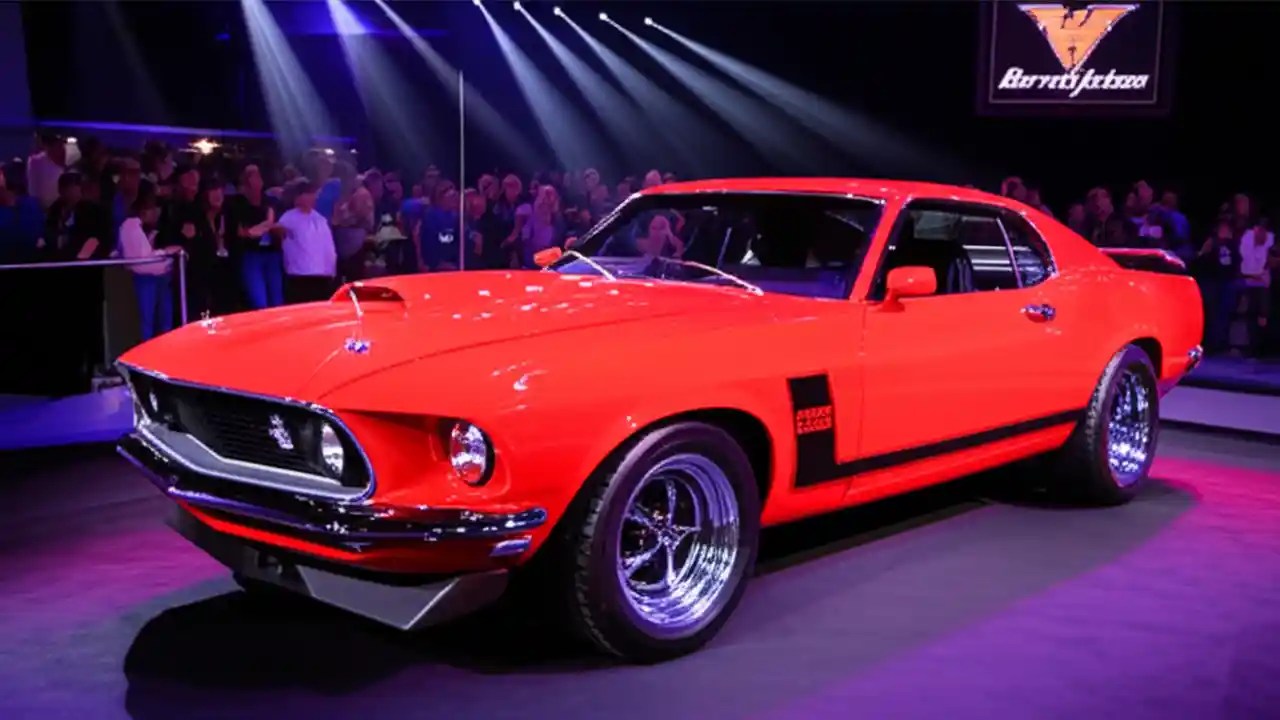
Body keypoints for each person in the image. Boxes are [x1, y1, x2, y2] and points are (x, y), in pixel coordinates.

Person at [119, 194, 182, 340]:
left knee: (165, 321)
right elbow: (142, 258)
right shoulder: (131, 226)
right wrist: (166, 252)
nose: (155, 213)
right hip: (146, 278)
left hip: (162, 277)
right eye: (151, 209)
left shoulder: (150, 229)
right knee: (148, 321)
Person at [225, 164, 283, 309]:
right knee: (259, 301)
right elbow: (239, 232)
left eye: (257, 175)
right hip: (250, 254)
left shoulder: (270, 202)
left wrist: (274, 230)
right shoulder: (236, 204)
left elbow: (278, 227)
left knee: (277, 300)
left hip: (272, 254)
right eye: (251, 176)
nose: (255, 180)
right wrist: (258, 229)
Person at [278, 181, 337, 303]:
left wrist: (332, 269)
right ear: (298, 197)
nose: (312, 197)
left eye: (312, 194)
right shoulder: (288, 218)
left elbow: (328, 247)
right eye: (308, 194)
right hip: (300, 277)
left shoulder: (320, 219)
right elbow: (279, 234)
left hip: (322, 276)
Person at [1196, 219, 1242, 354]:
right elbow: (1201, 261)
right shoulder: (1212, 243)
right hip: (1212, 282)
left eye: (1227, 229)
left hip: (1226, 283)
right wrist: (1204, 251)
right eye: (1222, 229)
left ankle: (1221, 344)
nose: (1224, 232)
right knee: (1211, 313)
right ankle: (1210, 344)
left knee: (1224, 314)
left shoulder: (1233, 245)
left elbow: (1236, 263)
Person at [1239, 218, 1275, 356]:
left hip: (1264, 284)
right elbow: (1245, 263)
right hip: (1249, 281)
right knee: (1251, 313)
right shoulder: (1247, 239)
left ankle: (1261, 348)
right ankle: (1252, 348)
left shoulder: (1271, 241)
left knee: (1263, 314)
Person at [516, 185, 564, 268]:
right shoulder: (529, 217)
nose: (546, 199)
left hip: (552, 265)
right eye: (543, 196)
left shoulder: (558, 222)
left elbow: (560, 246)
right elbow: (524, 242)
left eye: (549, 195)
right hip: (532, 264)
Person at [417, 183, 461, 272]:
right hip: (436, 268)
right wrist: (436, 264)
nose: (454, 199)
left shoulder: (457, 217)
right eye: (451, 196)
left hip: (456, 267)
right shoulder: (430, 217)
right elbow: (427, 244)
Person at [27, 133, 67, 210]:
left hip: (58, 208)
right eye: (59, 146)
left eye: (62, 146)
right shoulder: (36, 161)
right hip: (40, 209)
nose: (62, 149)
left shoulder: (64, 165)